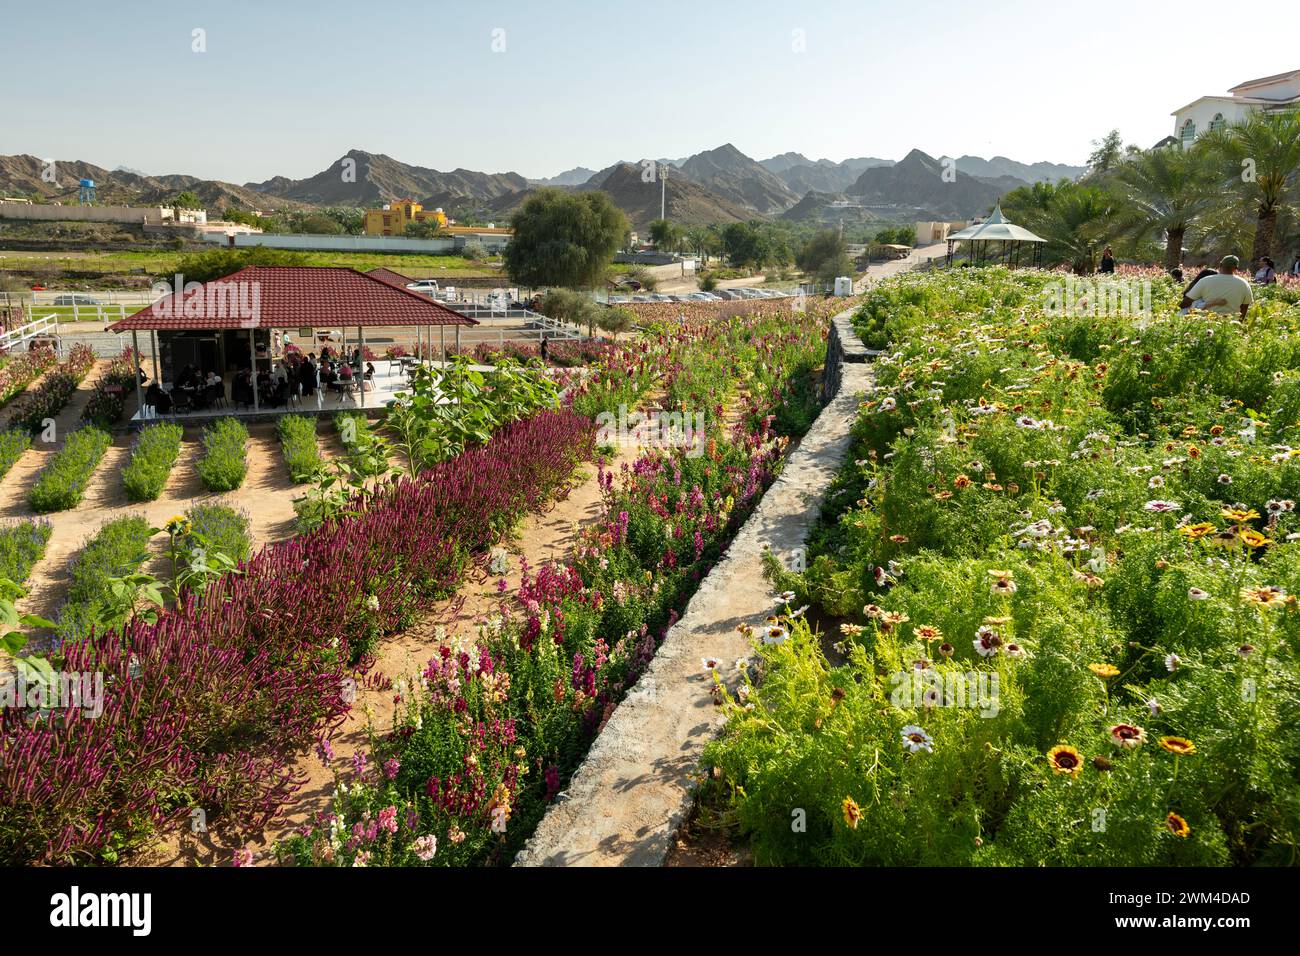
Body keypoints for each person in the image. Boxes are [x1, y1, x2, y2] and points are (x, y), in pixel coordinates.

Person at [1181, 255, 1253, 318]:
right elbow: (1244, 308)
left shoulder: (1205, 280)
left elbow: (1186, 302)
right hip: (1230, 324)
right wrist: (1239, 323)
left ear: (1220, 264)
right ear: (1236, 268)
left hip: (1206, 322)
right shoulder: (1244, 283)